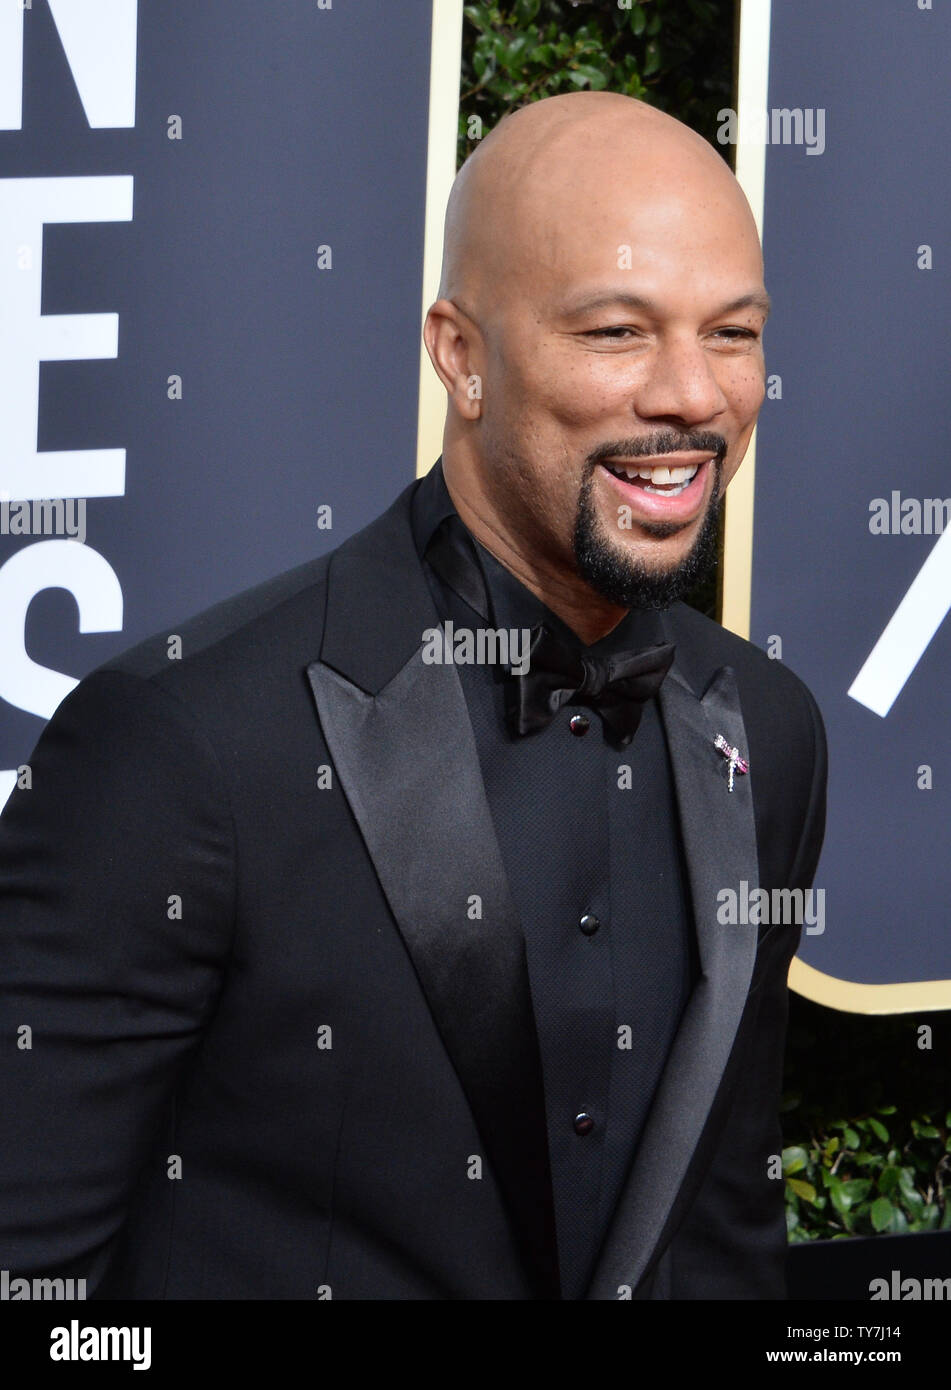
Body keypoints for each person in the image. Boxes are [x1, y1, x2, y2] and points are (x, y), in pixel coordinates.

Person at [0, 91, 826, 1300]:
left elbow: (719, 1236)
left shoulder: (770, 730)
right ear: (460, 354)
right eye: (616, 332)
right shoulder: (184, 745)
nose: (695, 397)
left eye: (734, 334)